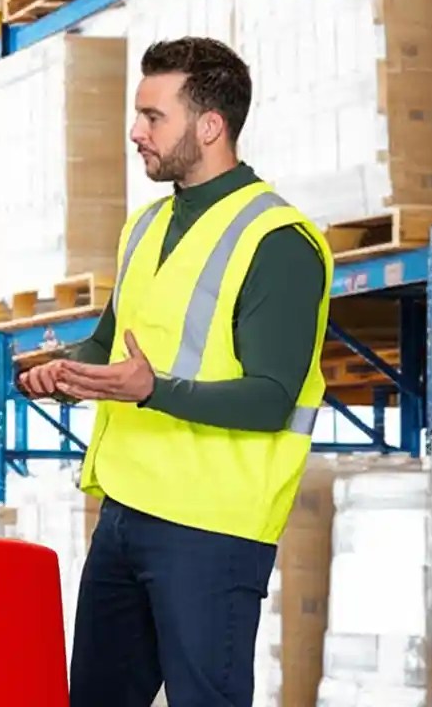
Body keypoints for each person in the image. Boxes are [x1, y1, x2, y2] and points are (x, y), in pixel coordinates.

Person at [19, 37, 333, 705]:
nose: (136, 132)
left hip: (211, 533)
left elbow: (272, 398)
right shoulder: (144, 225)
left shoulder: (276, 241)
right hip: (126, 514)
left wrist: (152, 390)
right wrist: (65, 370)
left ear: (210, 126)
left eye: (153, 116)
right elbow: (109, 343)